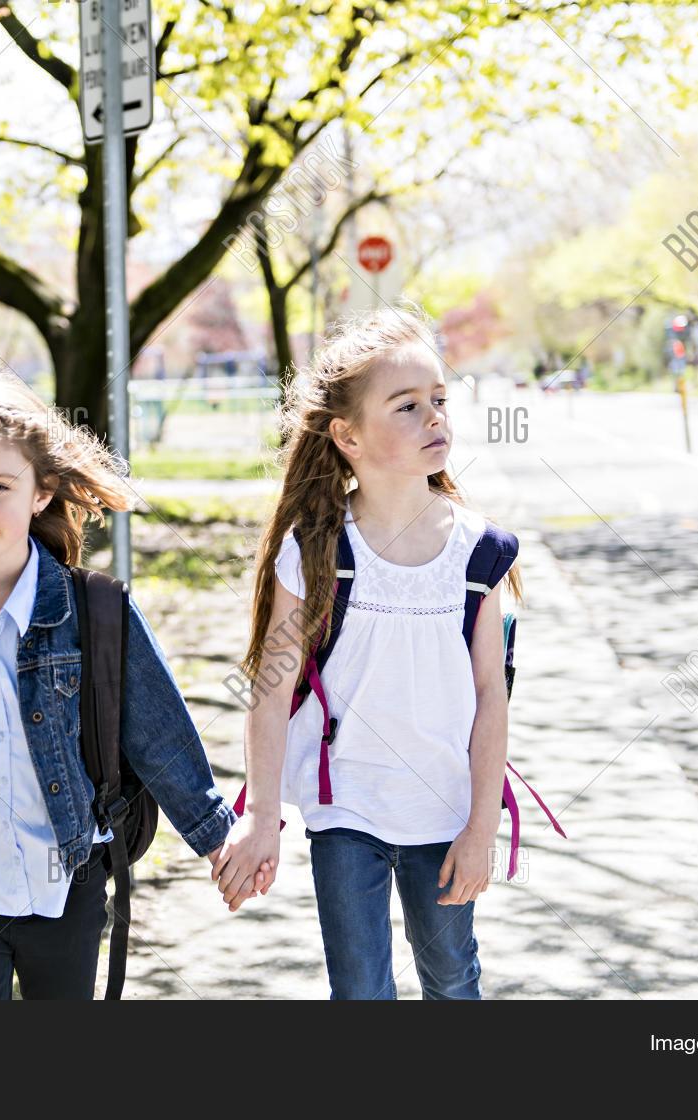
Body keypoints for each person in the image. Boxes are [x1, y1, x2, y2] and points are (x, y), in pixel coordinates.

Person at [0, 367, 262, 999]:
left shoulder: (96, 612)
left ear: (41, 491)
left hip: (69, 884)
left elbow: (159, 734)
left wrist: (215, 839)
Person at [212, 303, 524, 1000]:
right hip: (344, 806)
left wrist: (481, 826)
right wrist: (263, 816)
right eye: (407, 406)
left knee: (450, 976)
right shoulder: (319, 547)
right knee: (360, 991)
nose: (435, 417)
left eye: (439, 400)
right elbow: (272, 685)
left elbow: (489, 697)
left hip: (443, 811)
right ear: (347, 435)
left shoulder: (479, 553)